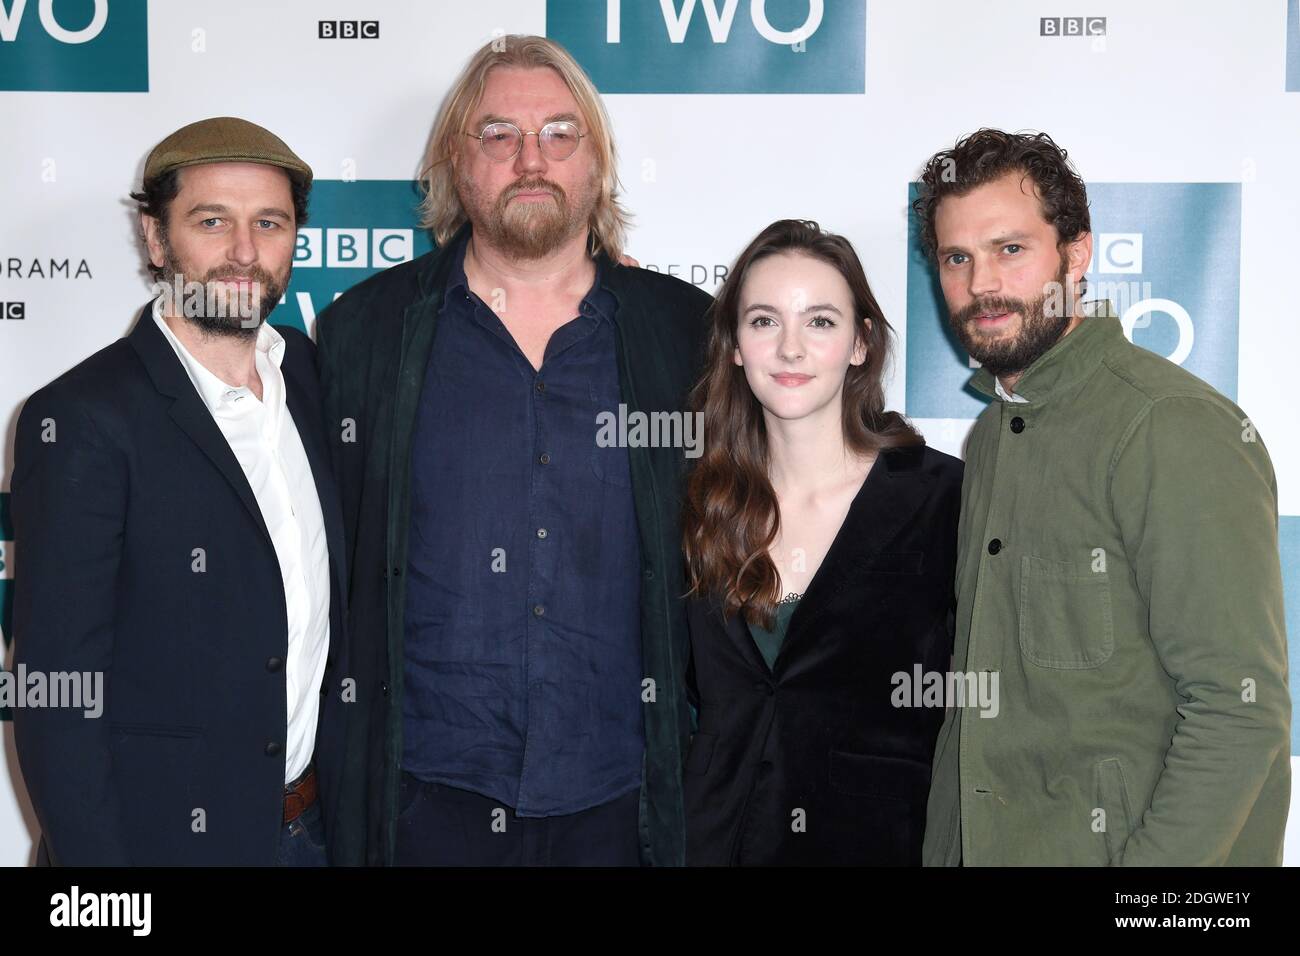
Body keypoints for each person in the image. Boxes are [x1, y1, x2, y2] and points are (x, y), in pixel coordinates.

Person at [315, 35, 712, 866]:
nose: (531, 159)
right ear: (456, 163)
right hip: (426, 798)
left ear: (597, 162)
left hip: (623, 799)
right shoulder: (363, 333)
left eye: (560, 134)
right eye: (498, 134)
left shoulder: (684, 333)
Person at [914, 128, 1290, 865]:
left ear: (1077, 254)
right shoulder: (989, 439)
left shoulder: (1170, 425)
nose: (982, 283)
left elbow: (1239, 712)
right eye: (958, 258)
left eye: (1010, 249)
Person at [11, 117, 352, 866]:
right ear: (157, 239)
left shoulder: (311, 377)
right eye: (212, 221)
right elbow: (55, 689)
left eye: (269, 223)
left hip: (315, 831)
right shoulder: (82, 417)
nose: (244, 251)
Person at [680, 219, 963, 865]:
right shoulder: (696, 503)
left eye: (820, 322)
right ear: (734, 346)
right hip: (716, 844)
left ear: (860, 343)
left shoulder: (941, 499)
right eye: (764, 321)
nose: (790, 349)